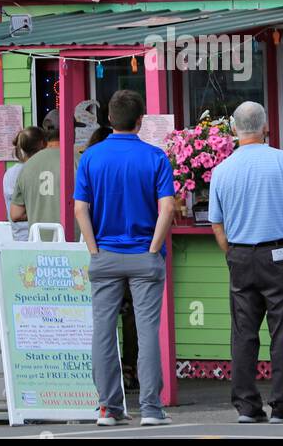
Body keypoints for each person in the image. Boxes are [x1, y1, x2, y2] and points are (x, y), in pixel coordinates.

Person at [73, 90, 175, 426]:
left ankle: (108, 408)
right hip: (144, 254)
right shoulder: (155, 157)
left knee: (103, 332)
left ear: (109, 120)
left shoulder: (90, 158)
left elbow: (80, 208)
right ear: (140, 120)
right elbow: (168, 208)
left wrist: (93, 249)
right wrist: (153, 247)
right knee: (147, 333)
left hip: (105, 253)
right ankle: (150, 408)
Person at [208, 101, 283, 424]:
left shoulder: (221, 170)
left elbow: (216, 223)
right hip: (278, 255)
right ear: (266, 127)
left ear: (235, 131)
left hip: (239, 255)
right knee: (281, 332)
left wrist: (231, 251)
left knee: (243, 332)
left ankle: (247, 407)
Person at [10, 109, 64, 239]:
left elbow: (15, 214)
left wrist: (40, 212)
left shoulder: (26, 167)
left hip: (39, 242)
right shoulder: (81, 161)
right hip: (75, 243)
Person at [2, 126, 47, 242]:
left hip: (18, 236)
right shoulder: (36, 171)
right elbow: (18, 214)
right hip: (36, 236)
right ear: (42, 144)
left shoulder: (10, 173)